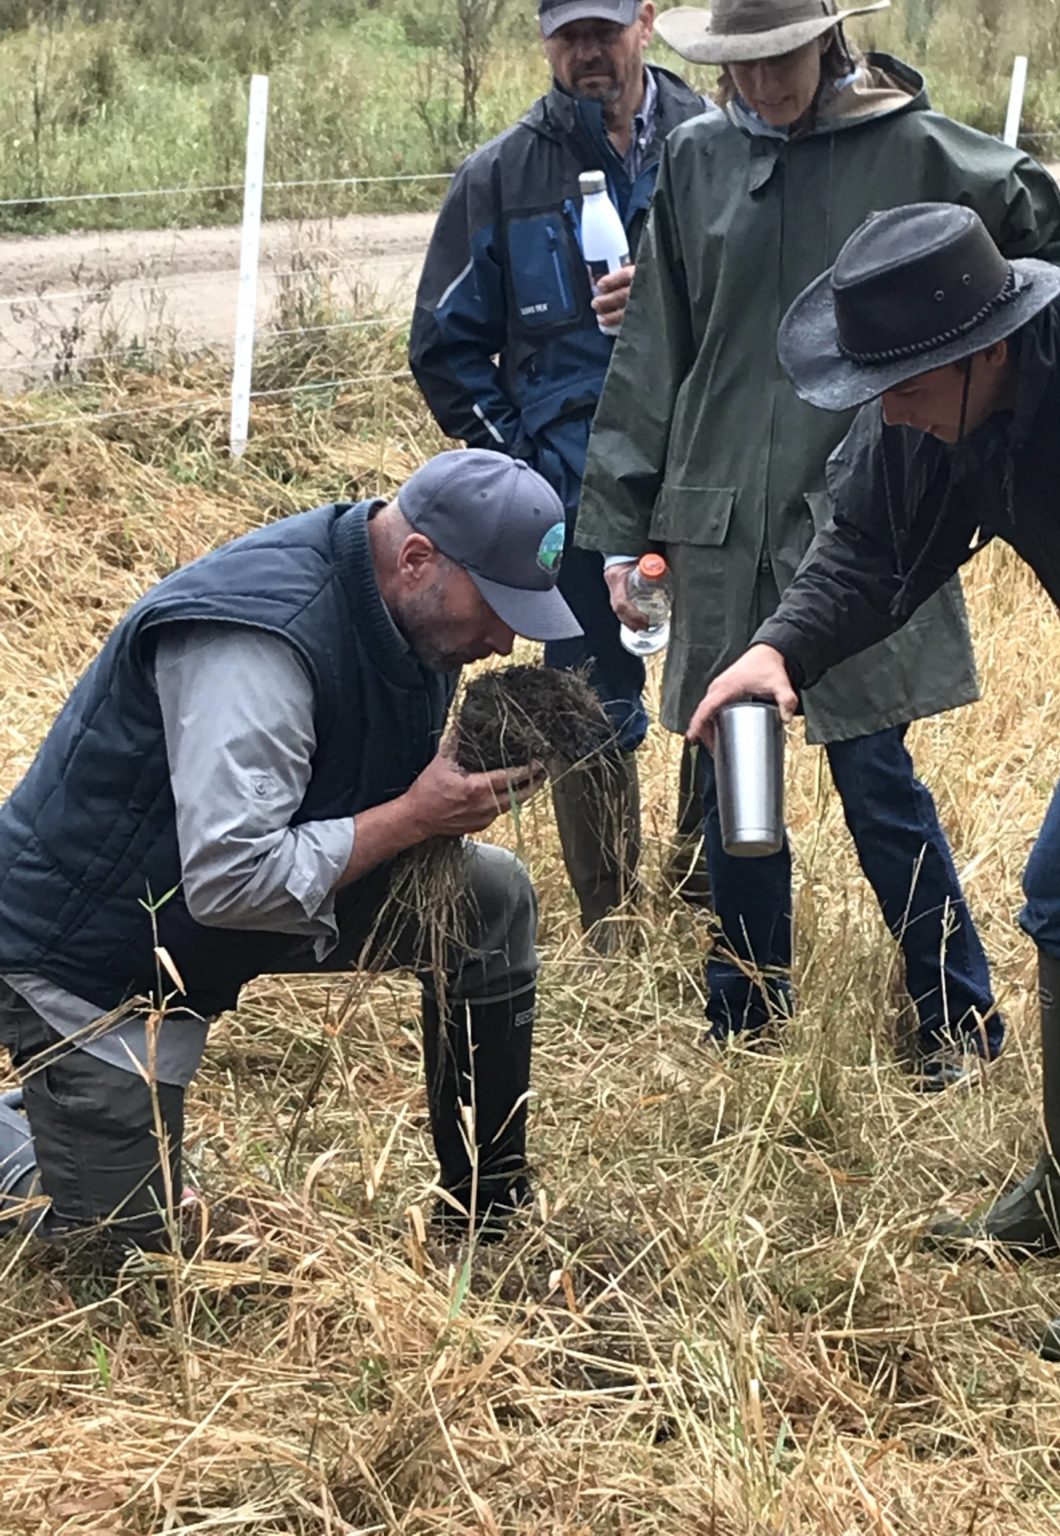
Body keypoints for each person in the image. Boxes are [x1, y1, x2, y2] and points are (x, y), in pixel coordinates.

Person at [576, 0, 1060, 1078]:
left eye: (782, 61)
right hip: (723, 527)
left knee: (876, 776)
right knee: (744, 780)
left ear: (827, 43)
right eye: (743, 68)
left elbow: (1045, 233)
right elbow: (655, 349)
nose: (763, 86)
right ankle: (749, 1016)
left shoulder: (910, 143)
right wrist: (622, 528)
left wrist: (984, 411)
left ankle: (957, 1020)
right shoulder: (703, 159)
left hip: (867, 514)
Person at [689, 201, 1060, 1365]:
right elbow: (866, 549)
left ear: (987, 345)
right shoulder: (930, 410)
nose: (880, 404)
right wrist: (776, 652)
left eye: (896, 382)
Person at [0, 450, 578, 1256]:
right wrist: (416, 815)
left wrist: (443, 798)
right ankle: (43, 1123)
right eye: (495, 606)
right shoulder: (259, 643)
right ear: (417, 560)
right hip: (97, 956)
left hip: (209, 915)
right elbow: (233, 881)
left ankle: (489, 1209)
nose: (505, 639)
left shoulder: (406, 611)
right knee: (130, 1254)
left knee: (490, 899)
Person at [409, 0, 710, 950]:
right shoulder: (500, 176)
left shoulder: (716, 145)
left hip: (707, 476)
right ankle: (613, 925)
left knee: (724, 681)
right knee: (592, 705)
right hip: (573, 493)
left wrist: (670, 298)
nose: (587, 51)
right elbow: (444, 349)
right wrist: (523, 469)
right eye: (568, 31)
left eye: (605, 28)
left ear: (646, 24)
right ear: (545, 39)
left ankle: (712, 898)